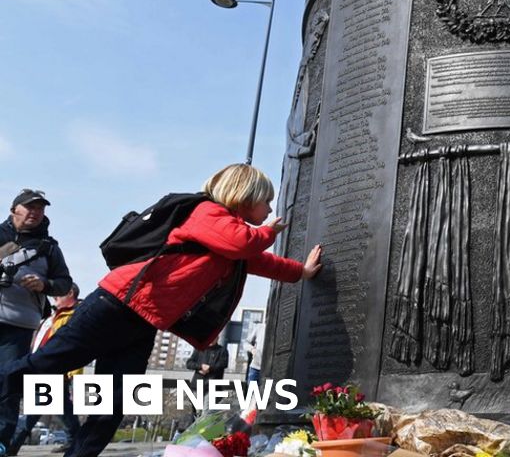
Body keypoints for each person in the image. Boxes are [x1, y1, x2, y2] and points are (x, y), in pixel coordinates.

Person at [0, 164, 323, 457]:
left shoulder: (228, 240)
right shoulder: (207, 213)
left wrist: (301, 272)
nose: (269, 209)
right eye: (265, 201)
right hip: (116, 304)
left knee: (112, 403)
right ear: (244, 195)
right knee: (45, 365)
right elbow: (244, 244)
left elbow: (261, 261)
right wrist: (269, 232)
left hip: (143, 321)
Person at [0, 190, 73, 450]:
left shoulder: (49, 248)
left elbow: (64, 283)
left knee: (7, 382)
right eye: (29, 207)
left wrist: (44, 284)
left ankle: (2, 442)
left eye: (40, 209)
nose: (34, 212)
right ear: (13, 210)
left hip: (19, 325)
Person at [8, 285, 82, 455]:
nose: (54, 298)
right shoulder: (53, 315)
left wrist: (73, 373)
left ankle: (14, 444)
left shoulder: (74, 315)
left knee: (39, 407)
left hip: (53, 368)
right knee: (60, 408)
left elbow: (76, 346)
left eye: (58, 295)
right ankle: (76, 439)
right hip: (40, 366)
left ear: (70, 293)